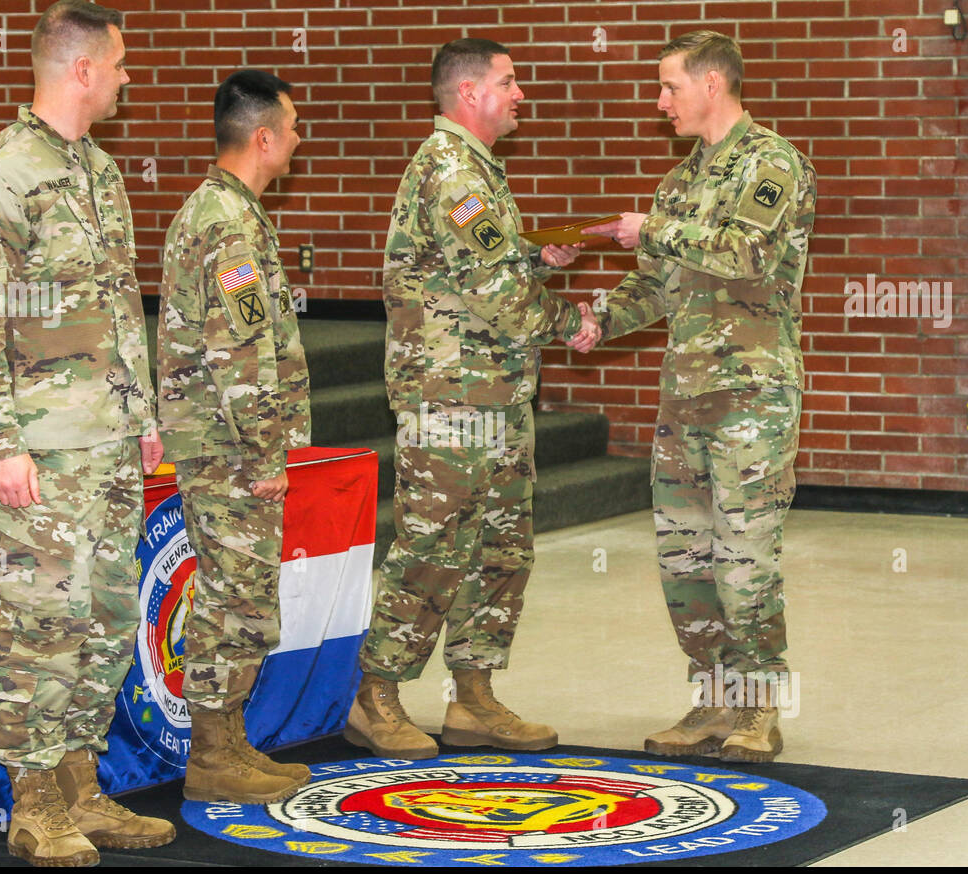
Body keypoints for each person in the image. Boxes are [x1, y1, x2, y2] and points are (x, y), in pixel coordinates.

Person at [0, 0, 173, 865]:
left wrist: (142, 415)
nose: (125, 77)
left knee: (107, 617)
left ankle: (80, 779)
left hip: (108, 441)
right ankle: (32, 796)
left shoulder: (101, 172)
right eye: (117, 63)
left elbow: (117, 308)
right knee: (43, 618)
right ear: (80, 69)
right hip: (39, 448)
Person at [344, 38, 600, 760]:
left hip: (494, 395)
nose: (521, 95)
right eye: (509, 82)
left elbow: (481, 267)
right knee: (432, 546)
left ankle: (474, 697)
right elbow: (497, 296)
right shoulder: (453, 173)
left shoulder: (477, 171)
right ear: (467, 95)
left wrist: (530, 253)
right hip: (452, 399)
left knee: (500, 548)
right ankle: (375, 694)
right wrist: (570, 319)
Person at [584, 30, 816, 763]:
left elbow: (747, 252)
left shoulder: (772, 162)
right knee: (686, 562)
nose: (661, 102)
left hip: (753, 395)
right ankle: (714, 698)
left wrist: (653, 228)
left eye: (670, 87)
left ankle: (759, 710)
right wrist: (598, 320)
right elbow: (657, 283)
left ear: (712, 85)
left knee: (745, 562)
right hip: (684, 399)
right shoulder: (680, 180)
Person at [156, 70, 311, 803]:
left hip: (221, 442)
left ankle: (228, 741)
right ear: (264, 136)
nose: (299, 139)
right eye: (293, 126)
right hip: (227, 448)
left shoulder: (226, 211)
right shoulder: (227, 220)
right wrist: (264, 452)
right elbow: (238, 351)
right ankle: (213, 755)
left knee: (238, 595)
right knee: (235, 599)